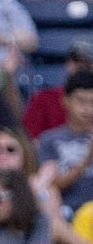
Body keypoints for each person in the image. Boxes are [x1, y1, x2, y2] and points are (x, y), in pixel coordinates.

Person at [36, 70, 93, 212]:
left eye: (92, 102)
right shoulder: (49, 140)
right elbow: (52, 185)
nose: (88, 109)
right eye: (81, 101)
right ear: (65, 100)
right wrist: (86, 160)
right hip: (65, 213)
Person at [24, 40, 93, 138]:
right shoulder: (44, 99)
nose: (81, 67)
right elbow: (30, 141)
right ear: (68, 64)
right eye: (76, 62)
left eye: (87, 63)